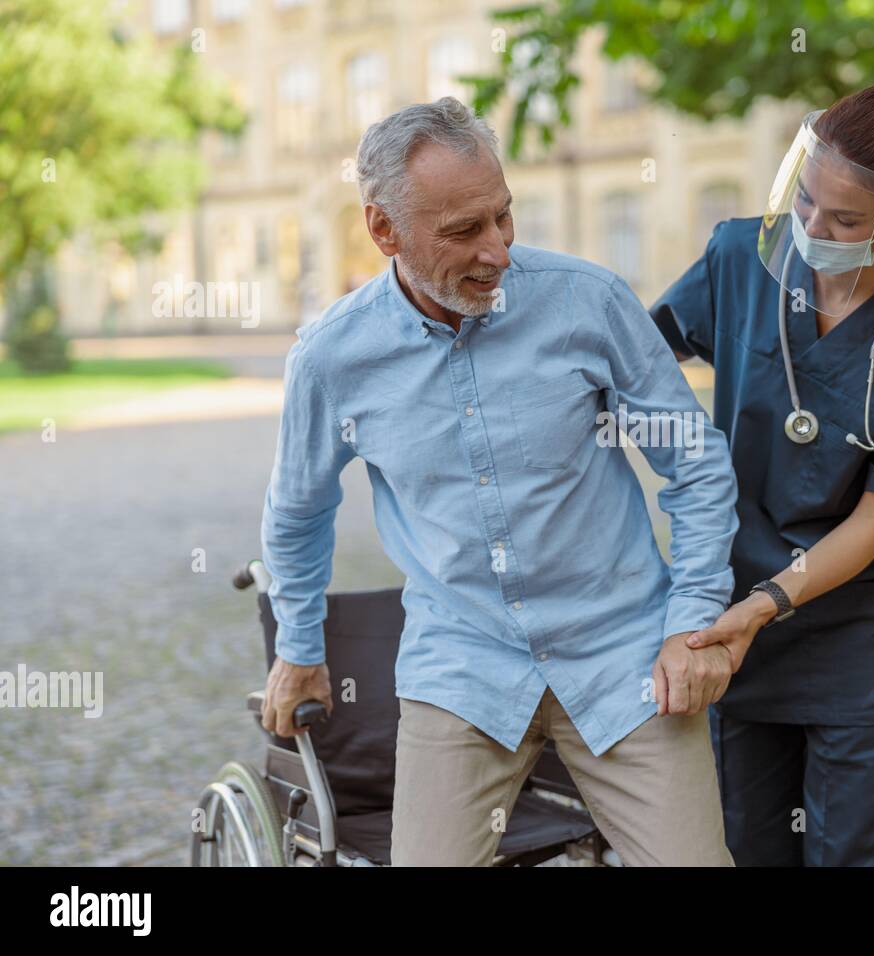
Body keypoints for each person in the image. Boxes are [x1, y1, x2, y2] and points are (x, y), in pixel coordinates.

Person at [259, 99, 740, 866]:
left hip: (623, 659)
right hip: (463, 668)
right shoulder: (332, 358)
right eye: (463, 232)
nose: (498, 252)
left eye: (503, 217)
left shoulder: (591, 302)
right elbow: (298, 512)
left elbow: (696, 464)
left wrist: (693, 619)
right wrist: (299, 646)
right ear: (384, 230)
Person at [649, 85, 874, 866]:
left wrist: (768, 601)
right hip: (738, 644)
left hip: (860, 656)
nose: (811, 229)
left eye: (843, 220)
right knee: (746, 849)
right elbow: (639, 361)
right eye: (805, 201)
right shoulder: (740, 259)